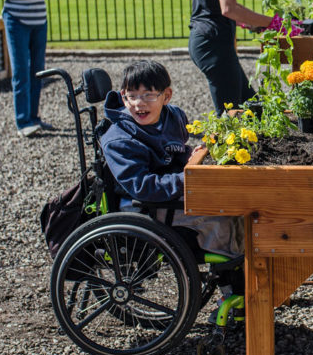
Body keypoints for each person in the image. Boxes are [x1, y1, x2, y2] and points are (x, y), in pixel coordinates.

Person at [101, 60, 242, 257]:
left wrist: (194, 156)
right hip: (141, 205)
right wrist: (189, 179)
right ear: (123, 97)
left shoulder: (174, 117)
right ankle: (230, 275)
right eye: (132, 96)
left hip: (170, 189)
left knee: (239, 202)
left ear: (166, 96)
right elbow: (142, 187)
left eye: (148, 95)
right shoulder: (119, 140)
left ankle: (246, 262)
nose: (139, 103)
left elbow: (177, 151)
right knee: (218, 214)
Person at [189, 0, 273, 115]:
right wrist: (274, 22)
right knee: (230, 118)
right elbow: (229, 9)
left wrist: (250, 21)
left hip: (207, 39)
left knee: (253, 109)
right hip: (214, 44)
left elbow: (213, 3)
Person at [0, 0, 54, 137]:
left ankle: (34, 118)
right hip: (16, 21)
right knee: (21, 71)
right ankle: (23, 122)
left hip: (39, 20)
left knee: (38, 71)